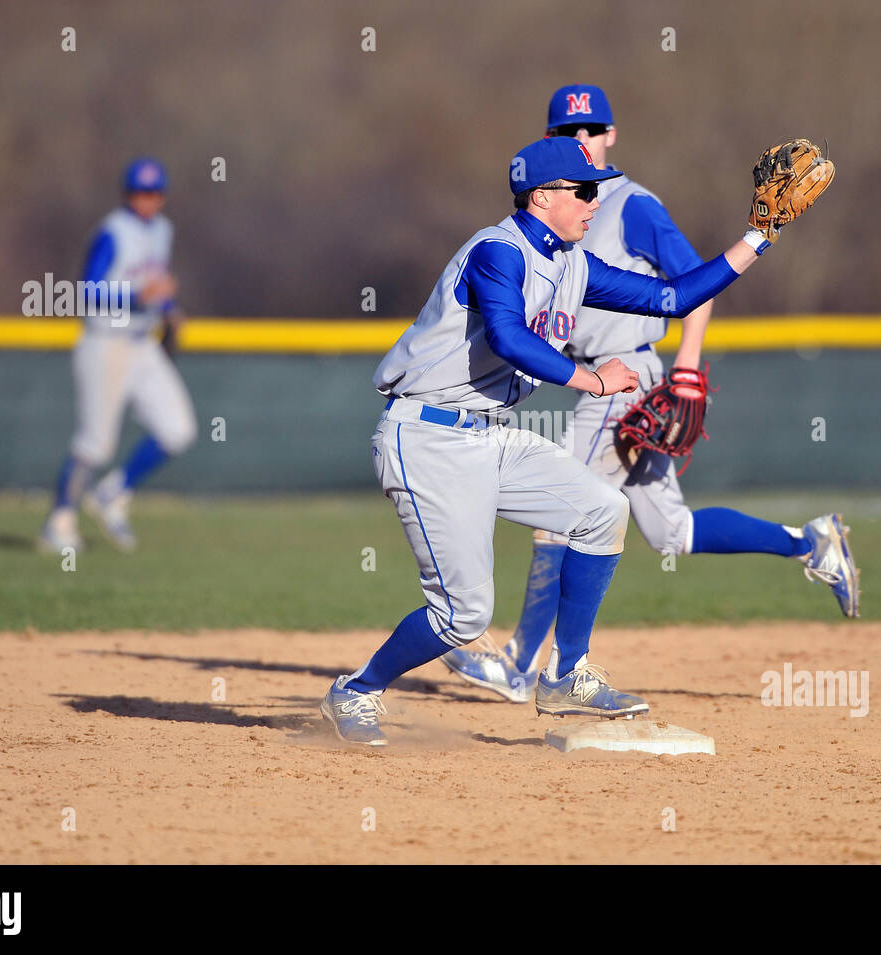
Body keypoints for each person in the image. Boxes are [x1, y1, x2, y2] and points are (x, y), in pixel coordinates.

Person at [321, 134, 803, 746]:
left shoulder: (571, 263)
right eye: (584, 192)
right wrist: (592, 378)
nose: (594, 202)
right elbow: (506, 336)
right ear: (543, 197)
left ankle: (565, 674)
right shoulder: (499, 251)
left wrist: (759, 235)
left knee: (604, 511)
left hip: (489, 435)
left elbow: (674, 297)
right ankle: (356, 691)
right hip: (426, 439)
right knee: (464, 616)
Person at [439, 86, 860, 704]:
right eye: (567, 131)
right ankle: (810, 541)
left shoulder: (632, 206)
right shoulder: (555, 209)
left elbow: (695, 286)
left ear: (612, 134)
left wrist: (687, 368)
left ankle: (522, 664)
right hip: (610, 378)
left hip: (626, 383)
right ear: (553, 140)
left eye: (594, 127)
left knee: (562, 518)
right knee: (672, 532)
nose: (582, 138)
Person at [38, 158, 196, 555]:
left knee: (178, 430)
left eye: (156, 193)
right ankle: (58, 523)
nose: (149, 200)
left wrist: (169, 307)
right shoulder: (113, 231)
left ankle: (112, 494)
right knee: (96, 444)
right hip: (105, 342)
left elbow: (155, 283)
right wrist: (134, 298)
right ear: (128, 195)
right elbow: (86, 289)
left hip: (142, 343)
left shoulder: (163, 230)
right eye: (142, 193)